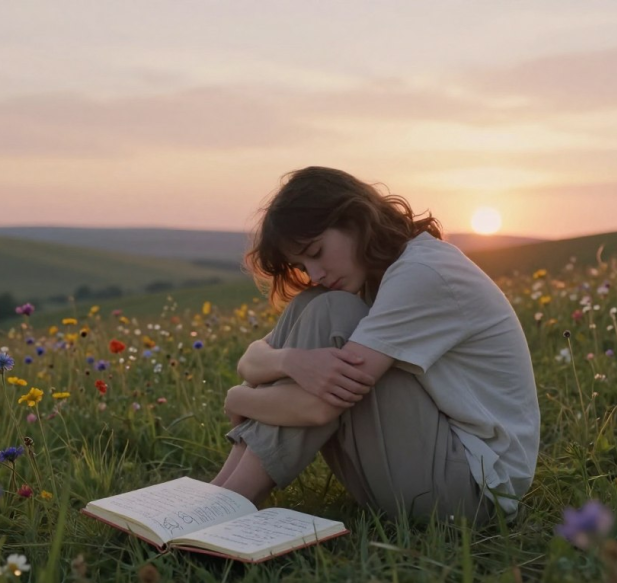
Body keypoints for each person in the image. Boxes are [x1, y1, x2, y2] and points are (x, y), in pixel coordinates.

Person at [210, 166, 539, 524]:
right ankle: (220, 494)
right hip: (421, 472)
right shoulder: (373, 277)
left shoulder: (421, 273)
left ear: (355, 220)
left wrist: (238, 399)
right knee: (313, 303)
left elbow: (317, 408)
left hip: (474, 491)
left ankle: (229, 503)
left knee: (332, 310)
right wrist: (290, 361)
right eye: (302, 265)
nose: (314, 274)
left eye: (316, 252)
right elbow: (251, 359)